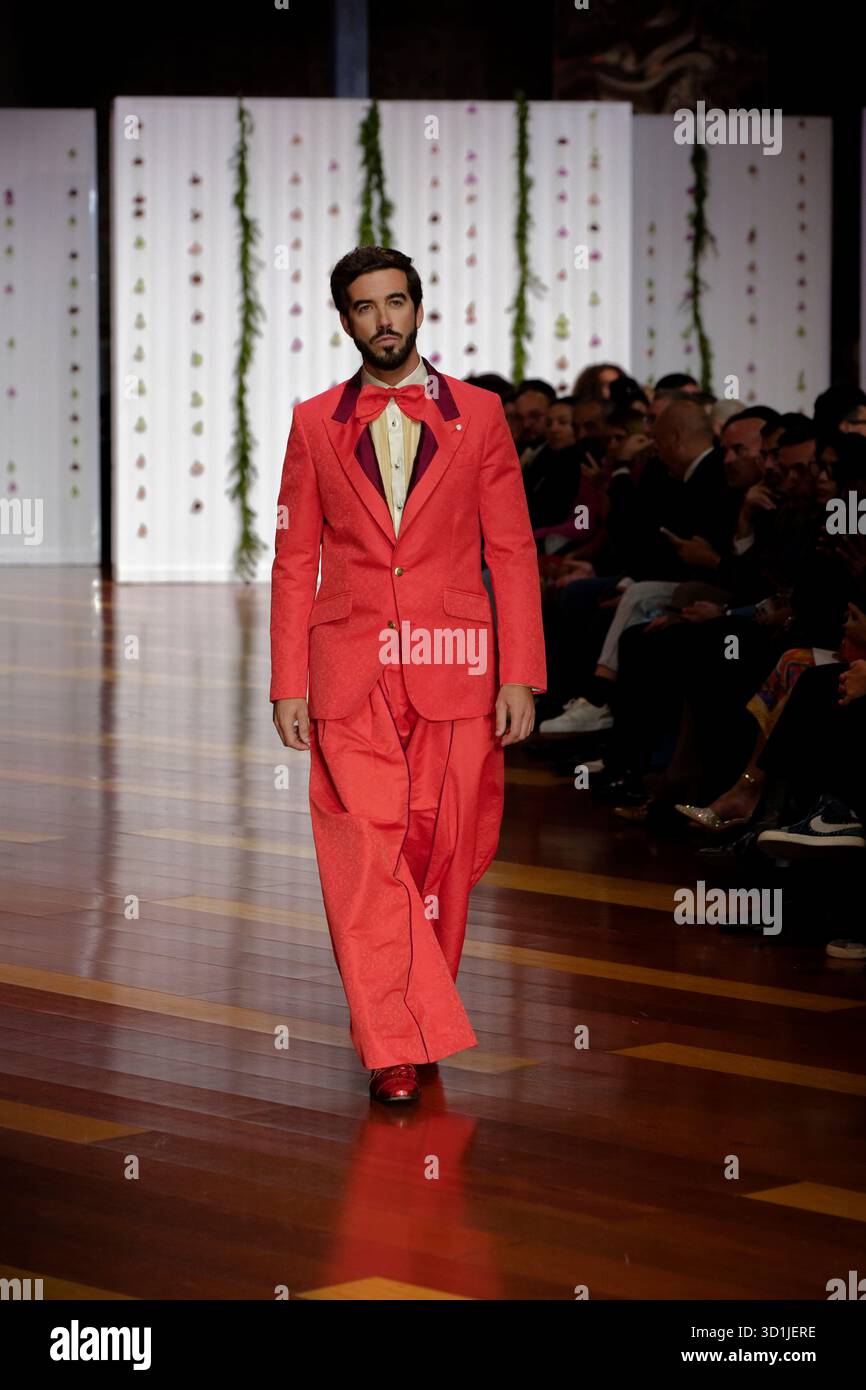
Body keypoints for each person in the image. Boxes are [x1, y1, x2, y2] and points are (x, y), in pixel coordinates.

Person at [269, 245, 546, 1106]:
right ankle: (393, 1045)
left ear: (418, 310)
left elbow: (512, 548)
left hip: (455, 663)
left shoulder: (481, 415)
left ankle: (416, 1019)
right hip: (348, 665)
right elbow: (293, 557)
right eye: (365, 306)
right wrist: (287, 682)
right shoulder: (314, 422)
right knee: (365, 852)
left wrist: (521, 673)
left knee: (441, 854)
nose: (383, 319)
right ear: (344, 320)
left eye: (395, 301)